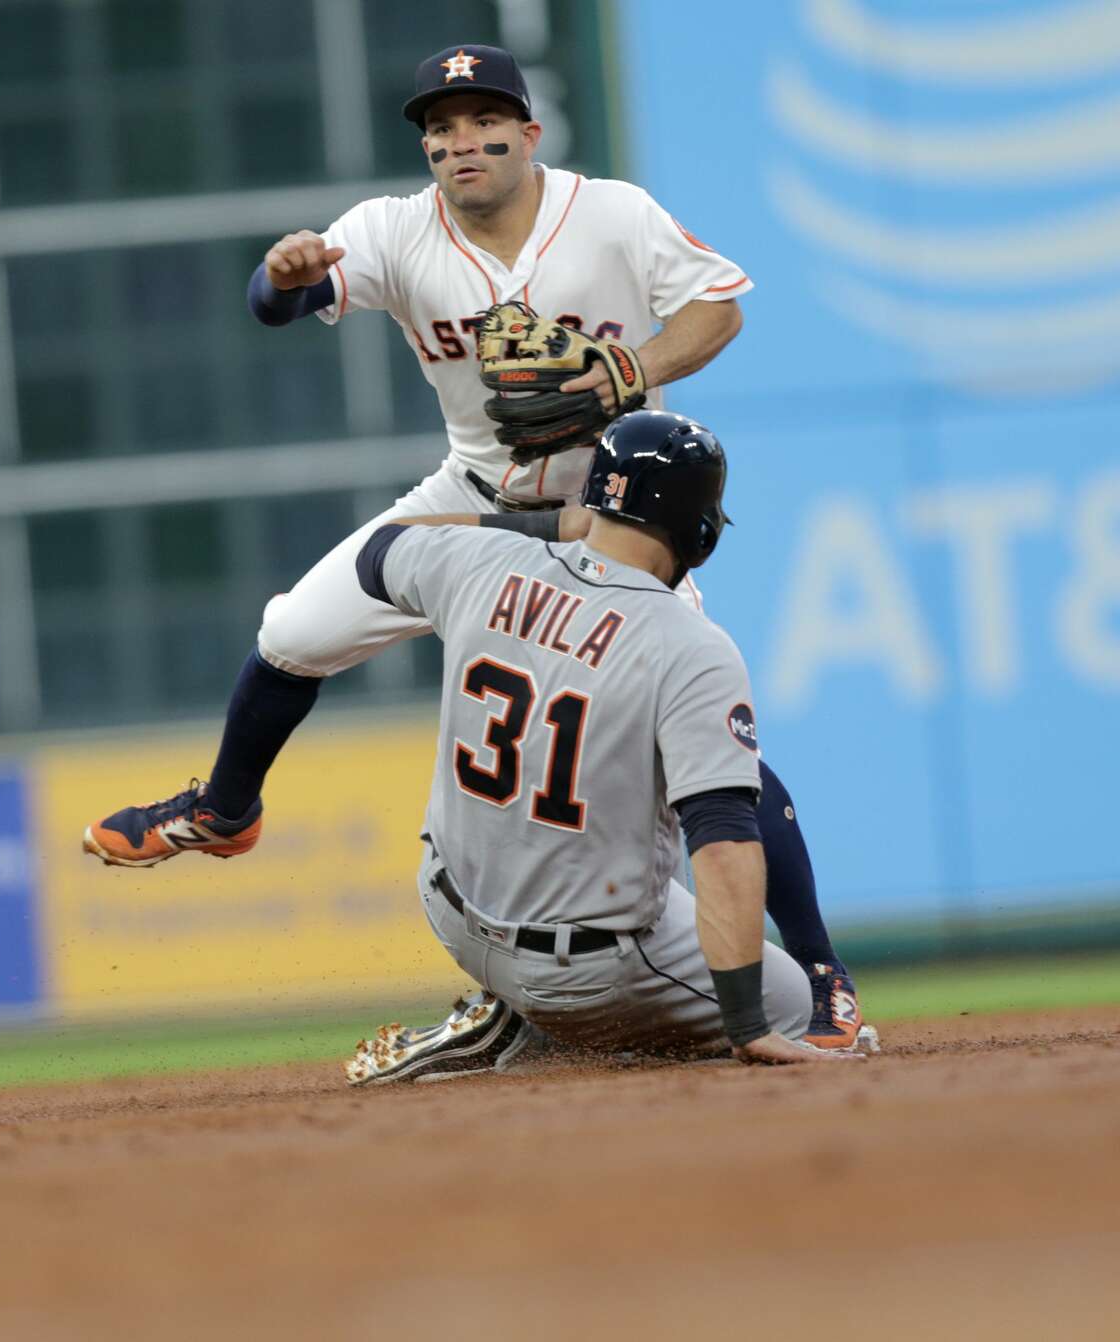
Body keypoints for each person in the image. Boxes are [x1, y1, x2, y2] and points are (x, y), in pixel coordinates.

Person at [81, 44, 865, 1048]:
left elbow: (719, 308)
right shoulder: (393, 231)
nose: (462, 141)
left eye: (485, 120)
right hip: (476, 497)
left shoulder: (612, 214)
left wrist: (629, 368)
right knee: (291, 631)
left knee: (718, 745)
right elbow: (277, 304)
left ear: (530, 133)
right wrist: (281, 280)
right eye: (441, 128)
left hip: (608, 508)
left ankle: (822, 970)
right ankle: (227, 811)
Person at [346, 410, 867, 1083]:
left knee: (627, 806)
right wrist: (747, 1025)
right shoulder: (689, 644)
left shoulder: (480, 560)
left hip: (449, 913)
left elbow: (377, 549)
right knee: (794, 1007)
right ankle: (545, 1031)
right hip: (584, 974)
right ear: (699, 528)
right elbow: (724, 838)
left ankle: (510, 1011)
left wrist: (541, 528)